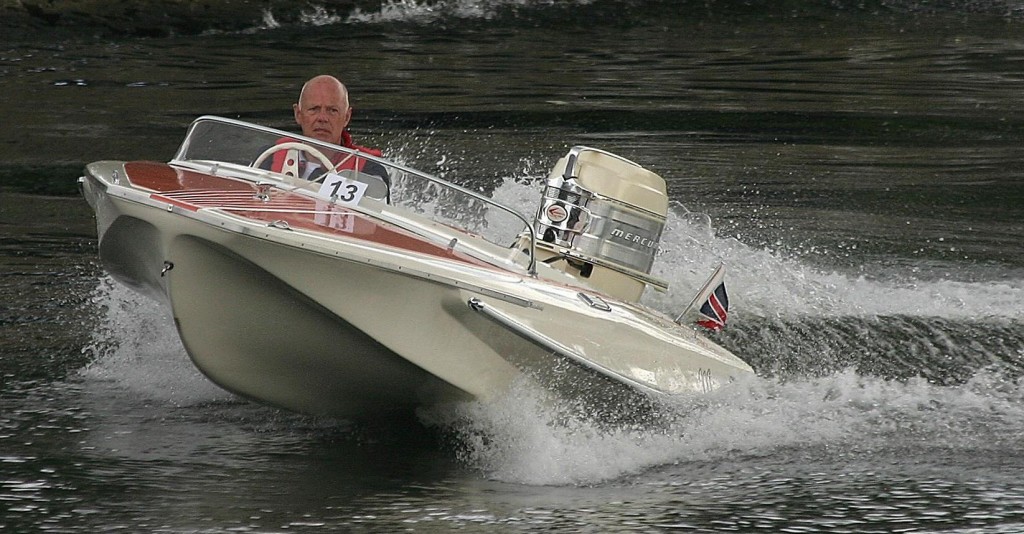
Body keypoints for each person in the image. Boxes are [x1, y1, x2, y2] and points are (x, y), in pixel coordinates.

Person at [266, 75, 390, 198]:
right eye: (314, 109)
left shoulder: (368, 170)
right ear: (298, 114)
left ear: (346, 117)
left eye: (332, 110)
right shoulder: (270, 156)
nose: (322, 118)